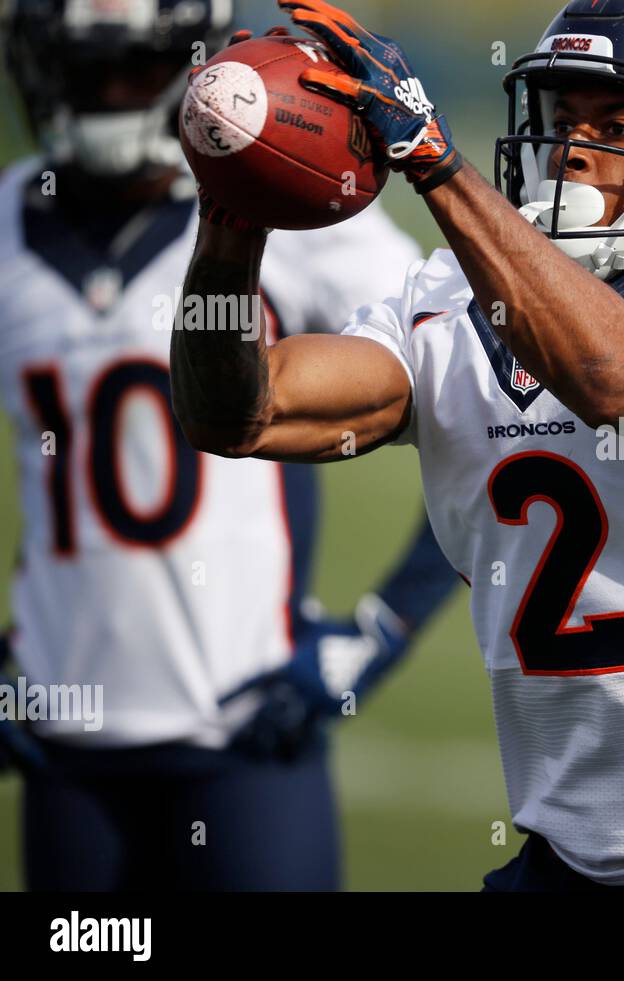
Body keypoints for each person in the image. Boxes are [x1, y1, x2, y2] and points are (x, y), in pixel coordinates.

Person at [173, 0, 624, 892]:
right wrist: (233, 218)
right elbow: (237, 413)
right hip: (568, 856)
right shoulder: (443, 301)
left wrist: (438, 165)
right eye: (563, 121)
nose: (573, 148)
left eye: (616, 123)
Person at [0, 0, 460, 890]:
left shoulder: (281, 205)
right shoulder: (10, 224)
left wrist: (380, 631)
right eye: (86, 72)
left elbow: (476, 396)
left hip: (247, 732)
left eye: (134, 68)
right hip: (64, 748)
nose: (109, 92)